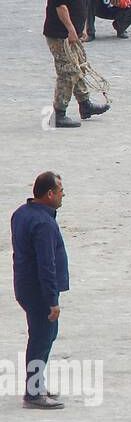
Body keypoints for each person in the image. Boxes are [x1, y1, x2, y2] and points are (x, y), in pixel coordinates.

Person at [11, 172, 72, 409]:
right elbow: (46, 265)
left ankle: (36, 386)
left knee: (41, 335)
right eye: (60, 190)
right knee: (42, 338)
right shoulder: (44, 224)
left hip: (24, 286)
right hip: (38, 292)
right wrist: (52, 299)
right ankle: (34, 392)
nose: (62, 194)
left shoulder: (21, 213)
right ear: (49, 194)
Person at [44, 0, 109, 129]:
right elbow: (61, 8)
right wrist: (71, 31)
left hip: (73, 33)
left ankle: (85, 105)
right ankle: (58, 114)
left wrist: (83, 29)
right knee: (67, 72)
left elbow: (83, 4)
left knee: (79, 67)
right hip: (60, 35)